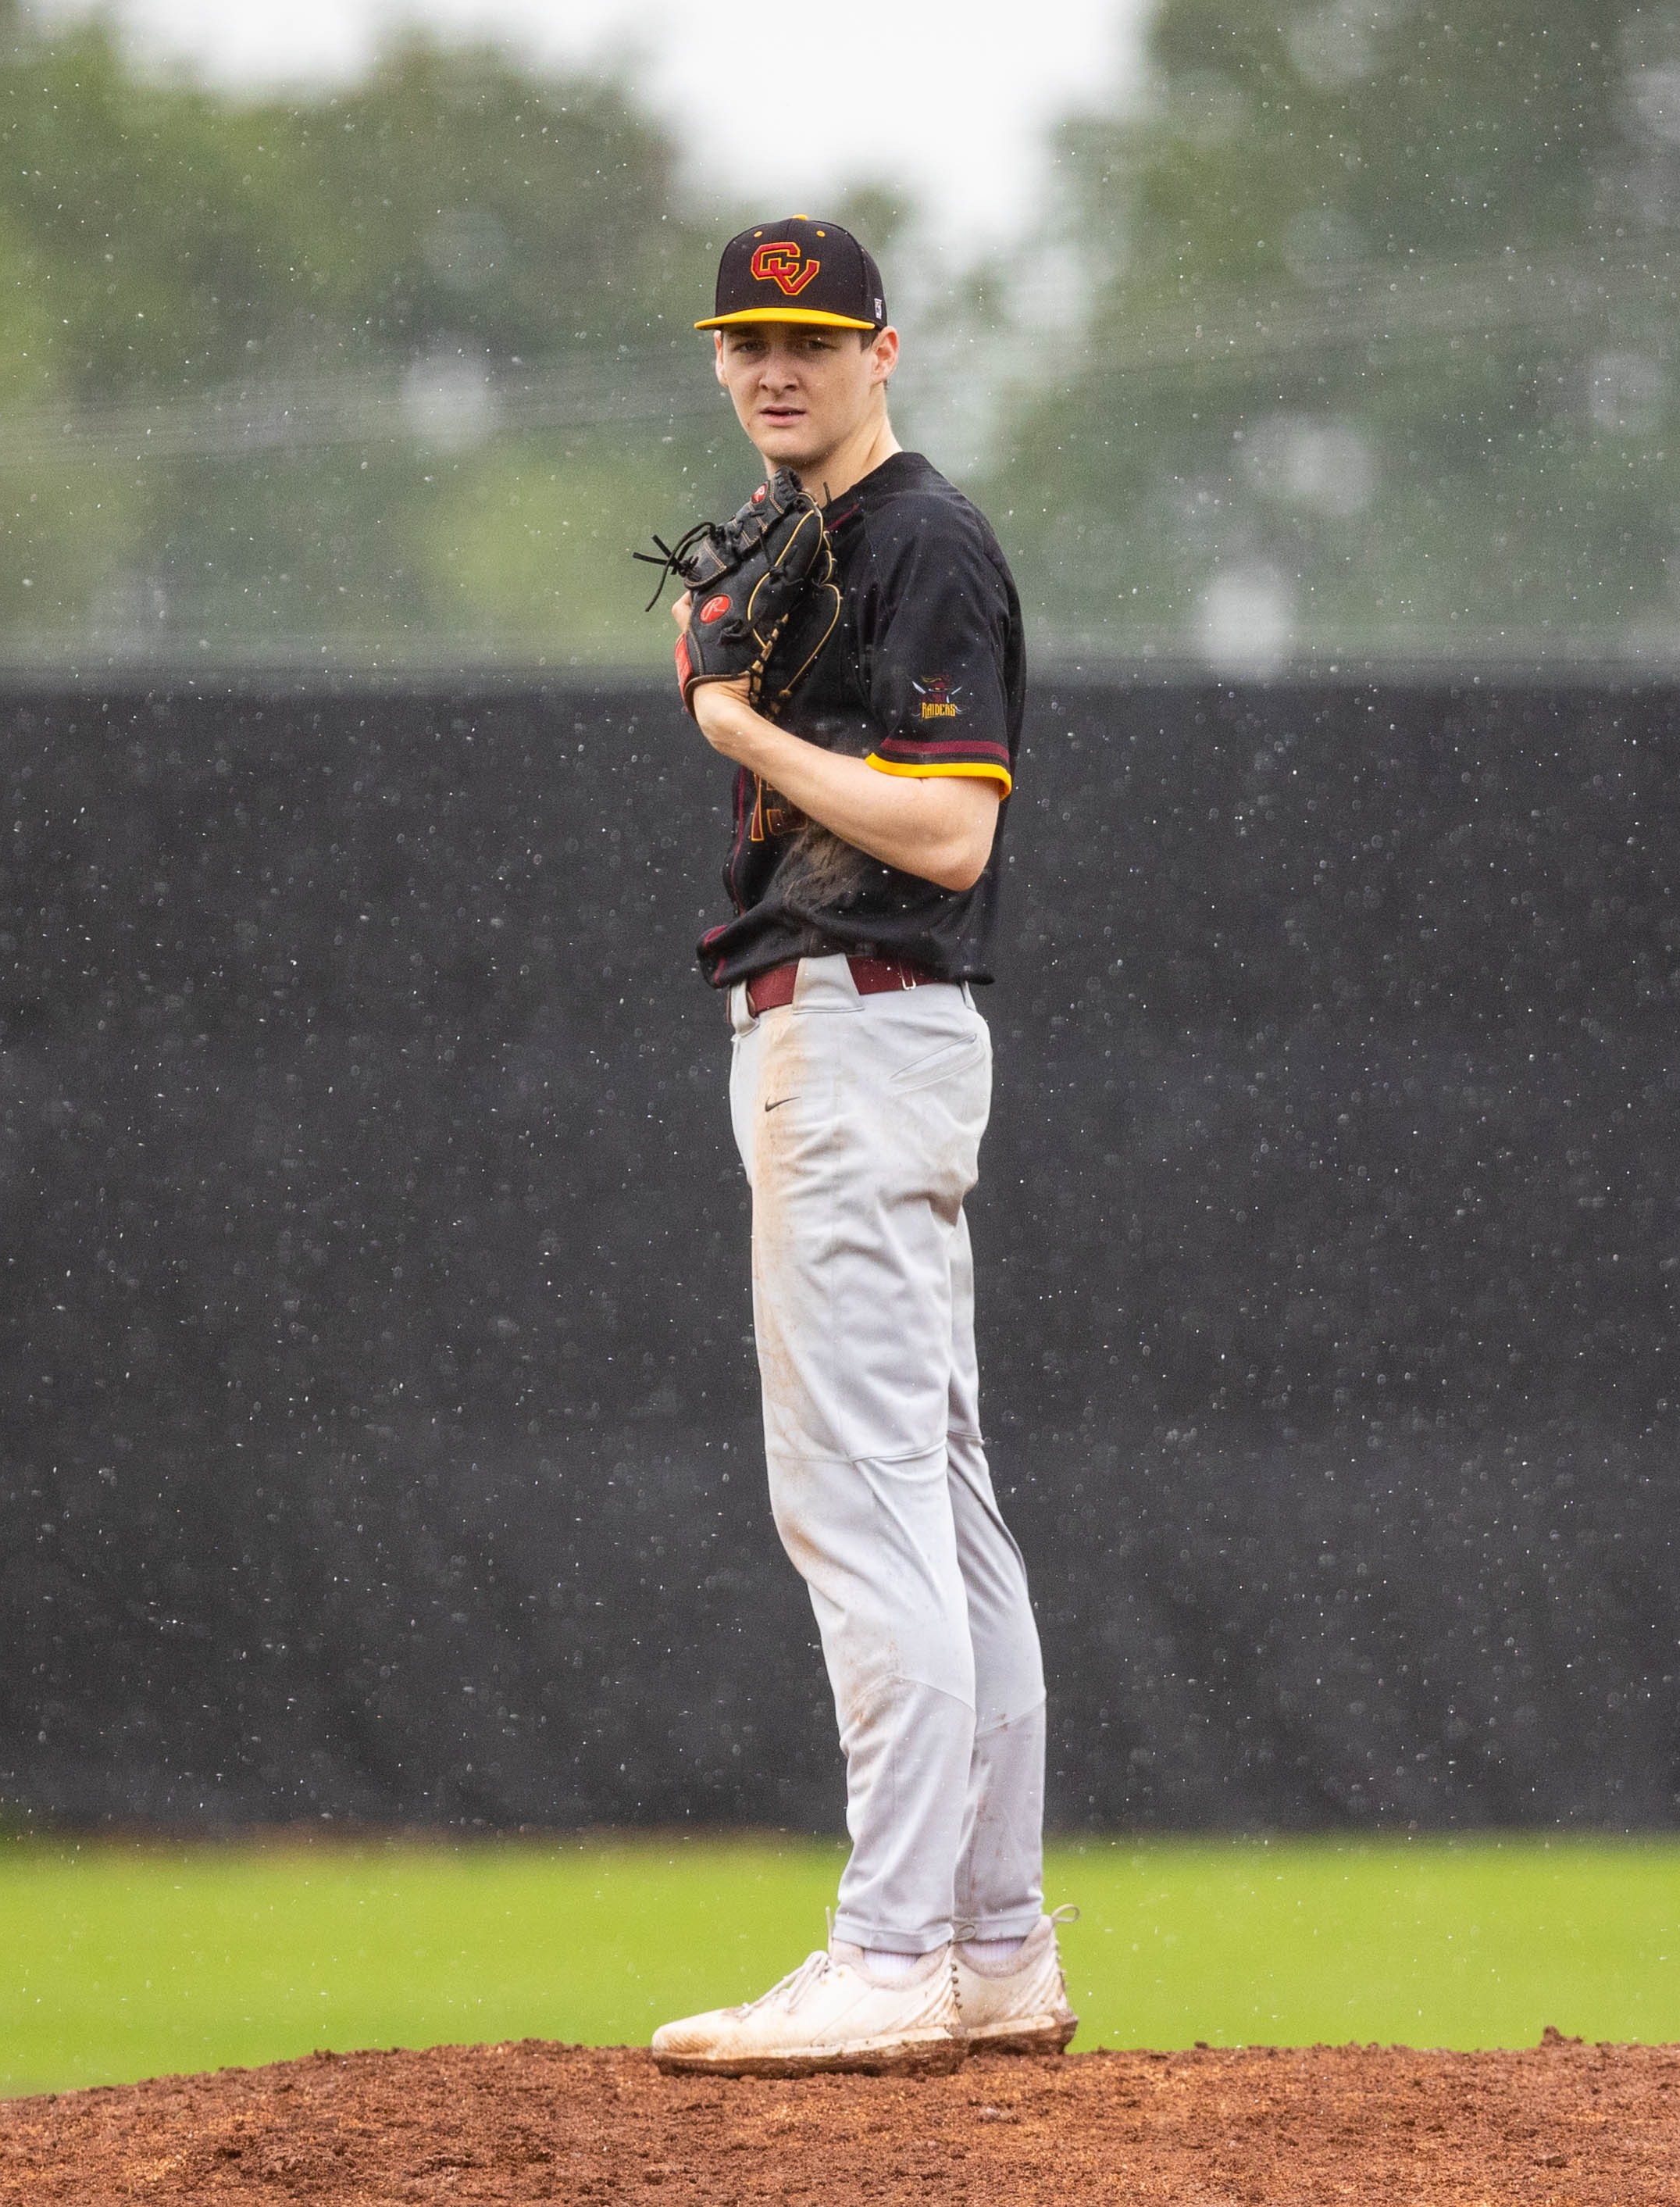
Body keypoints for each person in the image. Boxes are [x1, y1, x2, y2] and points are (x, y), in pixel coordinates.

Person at [647, 216, 1071, 2077]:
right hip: (868, 1032)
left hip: (856, 1020)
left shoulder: (919, 540)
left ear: (883, 351)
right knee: (942, 1500)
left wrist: (731, 718)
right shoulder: (812, 540)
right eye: (747, 337)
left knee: (862, 1500)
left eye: (811, 338)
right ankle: (990, 1947)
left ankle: (891, 1946)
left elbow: (953, 834)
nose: (774, 367)